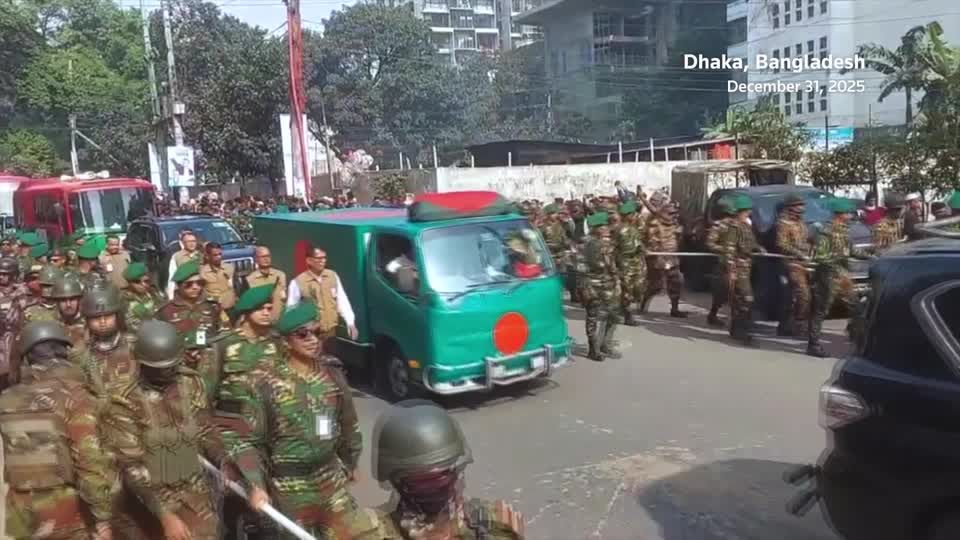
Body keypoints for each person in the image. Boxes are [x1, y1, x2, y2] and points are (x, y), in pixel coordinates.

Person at [99, 320, 256, 540]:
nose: (167, 373)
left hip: (190, 490)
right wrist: (165, 516)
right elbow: (131, 467)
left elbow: (204, 431)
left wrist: (223, 460)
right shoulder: (122, 400)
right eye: (159, 369)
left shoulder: (191, 383)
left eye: (171, 366)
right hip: (143, 500)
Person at [233, 301, 366, 538]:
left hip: (331, 478)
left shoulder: (332, 375)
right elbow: (247, 441)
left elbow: (348, 423)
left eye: (317, 333)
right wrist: (256, 484)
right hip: (290, 487)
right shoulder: (264, 384)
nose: (313, 339)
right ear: (285, 341)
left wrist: (351, 460)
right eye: (303, 334)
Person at [0, 321, 115, 539]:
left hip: (19, 509)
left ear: (27, 356)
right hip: (64, 509)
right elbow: (89, 461)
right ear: (65, 352)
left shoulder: (6, 399)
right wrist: (102, 518)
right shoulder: (75, 396)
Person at [364, 401, 525, 539]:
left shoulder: (493, 524)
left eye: (441, 478)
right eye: (420, 483)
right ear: (396, 482)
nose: (432, 490)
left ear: (457, 473)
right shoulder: (369, 533)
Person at [209, 284, 284, 539]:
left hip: (272, 436)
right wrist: (219, 453)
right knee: (237, 502)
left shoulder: (277, 343)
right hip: (234, 436)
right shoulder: (222, 346)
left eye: (269, 308)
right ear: (247, 311)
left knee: (269, 502)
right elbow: (204, 402)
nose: (267, 312)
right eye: (261, 308)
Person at [807, 198, 872, 358]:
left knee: (855, 306)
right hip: (828, 275)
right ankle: (813, 344)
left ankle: (857, 339)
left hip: (842, 274)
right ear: (840, 214)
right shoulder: (825, 232)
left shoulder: (844, 231)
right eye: (848, 213)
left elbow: (851, 251)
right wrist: (837, 257)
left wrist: (871, 255)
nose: (851, 216)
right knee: (822, 310)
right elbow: (820, 256)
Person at [76, 285, 138, 399]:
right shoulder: (82, 354)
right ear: (87, 320)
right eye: (96, 318)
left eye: (108, 316)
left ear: (117, 316)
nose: (102, 322)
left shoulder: (135, 346)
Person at [288, 246, 358, 342]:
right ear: (309, 261)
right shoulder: (297, 282)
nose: (323, 261)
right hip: (311, 334)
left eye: (324, 258)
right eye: (319, 258)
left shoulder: (332, 276)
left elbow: (342, 300)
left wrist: (350, 322)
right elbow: (292, 309)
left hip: (331, 331)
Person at [581, 212, 621, 362]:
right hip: (593, 284)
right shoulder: (589, 244)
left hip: (605, 283)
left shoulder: (603, 243)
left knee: (613, 313)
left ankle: (604, 343)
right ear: (596, 228)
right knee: (593, 316)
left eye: (607, 226)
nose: (606, 229)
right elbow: (608, 265)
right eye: (603, 226)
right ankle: (593, 349)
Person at [155, 260, 222, 344]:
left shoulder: (212, 306)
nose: (195, 287)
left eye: (199, 283)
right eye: (189, 284)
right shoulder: (165, 311)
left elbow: (223, 333)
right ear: (178, 285)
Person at [641, 203, 687, 318]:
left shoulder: (675, 224)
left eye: (675, 214)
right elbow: (651, 243)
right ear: (663, 214)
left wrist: (680, 235)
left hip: (673, 257)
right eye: (671, 214)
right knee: (656, 285)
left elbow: (679, 241)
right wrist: (660, 258)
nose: (674, 216)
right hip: (658, 258)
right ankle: (643, 303)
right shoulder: (654, 225)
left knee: (676, 282)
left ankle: (675, 309)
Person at [775, 194, 811, 337]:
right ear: (791, 207)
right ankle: (797, 325)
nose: (801, 208)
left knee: (794, 297)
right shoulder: (783, 223)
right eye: (798, 206)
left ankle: (788, 325)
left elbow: (805, 240)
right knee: (803, 294)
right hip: (790, 264)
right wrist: (798, 252)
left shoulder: (801, 223)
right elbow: (781, 244)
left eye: (802, 205)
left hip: (804, 263)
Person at [728, 195, 762, 344]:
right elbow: (729, 250)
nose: (749, 212)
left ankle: (736, 329)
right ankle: (742, 331)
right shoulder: (734, 227)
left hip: (747, 266)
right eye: (748, 210)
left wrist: (759, 248)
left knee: (741, 300)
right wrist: (732, 271)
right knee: (746, 299)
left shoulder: (746, 226)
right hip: (739, 267)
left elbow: (752, 243)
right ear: (743, 210)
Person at [614, 201, 647, 327]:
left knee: (638, 288)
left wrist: (642, 249)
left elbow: (638, 242)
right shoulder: (619, 230)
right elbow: (613, 247)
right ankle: (627, 315)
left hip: (637, 262)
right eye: (632, 214)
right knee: (626, 290)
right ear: (627, 215)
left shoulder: (634, 228)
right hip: (625, 263)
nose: (635, 216)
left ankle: (623, 308)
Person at [705, 197, 736, 328]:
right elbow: (710, 243)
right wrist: (725, 249)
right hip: (723, 264)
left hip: (737, 263)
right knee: (721, 292)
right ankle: (713, 315)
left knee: (737, 293)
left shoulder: (738, 225)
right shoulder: (719, 226)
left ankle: (737, 322)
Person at [0, 257, 25, 388]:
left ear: (13, 275)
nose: (1, 276)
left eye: (5, 274)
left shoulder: (22, 293)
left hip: (17, 339)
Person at [246, 246, 287, 322]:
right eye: (263, 257)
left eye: (268, 256)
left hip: (279, 316)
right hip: (262, 318)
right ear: (256, 259)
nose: (266, 259)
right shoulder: (250, 279)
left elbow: (282, 296)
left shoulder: (280, 275)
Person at [121, 262, 163, 333]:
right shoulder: (123, 299)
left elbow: (162, 312)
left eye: (146, 281)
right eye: (137, 282)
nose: (143, 285)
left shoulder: (154, 293)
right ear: (129, 283)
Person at [199, 242, 237, 320]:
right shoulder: (202, 272)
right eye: (215, 255)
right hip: (212, 311)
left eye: (220, 254)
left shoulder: (229, 268)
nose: (219, 257)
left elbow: (236, 287)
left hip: (230, 309)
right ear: (208, 256)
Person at [50, 274, 86, 345]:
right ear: (57, 302)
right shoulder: (50, 323)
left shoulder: (88, 323)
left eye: (72, 299)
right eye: (63, 300)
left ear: (79, 300)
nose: (68, 305)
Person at [166, 230, 202, 299]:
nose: (192, 244)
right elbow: (172, 277)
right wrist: (171, 297)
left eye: (193, 241)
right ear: (183, 243)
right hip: (184, 292)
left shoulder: (202, 256)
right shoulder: (176, 257)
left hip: (199, 291)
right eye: (188, 241)